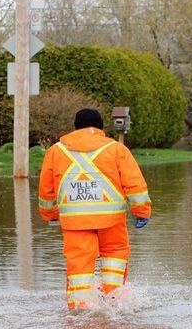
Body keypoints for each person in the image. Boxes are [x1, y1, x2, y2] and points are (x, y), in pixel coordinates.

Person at [37, 109, 152, 309]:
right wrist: (141, 211)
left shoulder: (55, 151)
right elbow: (134, 184)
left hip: (75, 222)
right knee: (114, 259)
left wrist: (50, 214)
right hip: (112, 220)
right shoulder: (117, 149)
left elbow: (46, 190)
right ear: (100, 127)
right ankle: (115, 302)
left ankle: (82, 309)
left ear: (75, 127)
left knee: (79, 266)